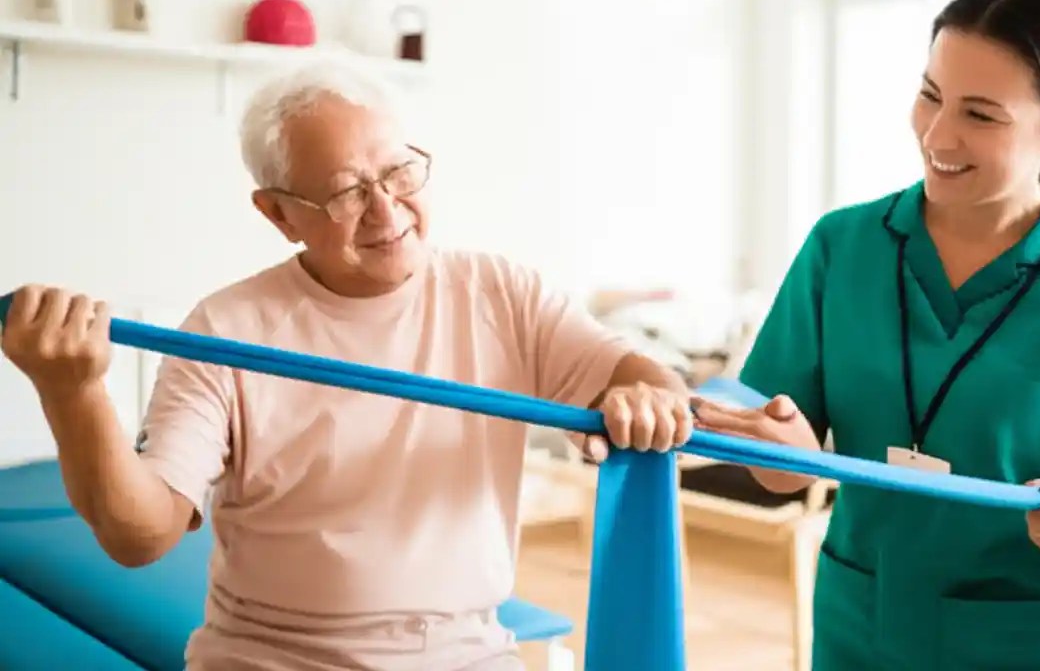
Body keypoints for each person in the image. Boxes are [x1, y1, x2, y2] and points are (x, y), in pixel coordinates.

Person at [0, 62, 693, 671]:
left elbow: (637, 374)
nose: (386, 210)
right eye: (345, 191)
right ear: (279, 214)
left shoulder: (500, 292)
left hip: (470, 656)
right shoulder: (225, 329)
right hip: (269, 660)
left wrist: (649, 395)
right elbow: (139, 535)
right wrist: (74, 394)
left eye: (398, 172)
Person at [693, 0, 1040, 671]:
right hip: (861, 629)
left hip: (1027, 645)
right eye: (931, 95)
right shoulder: (840, 249)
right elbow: (784, 472)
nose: (938, 134)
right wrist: (785, 449)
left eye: (981, 114)